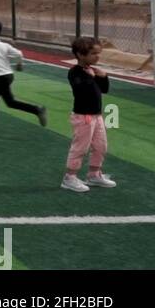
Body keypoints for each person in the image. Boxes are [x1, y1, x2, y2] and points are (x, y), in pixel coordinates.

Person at [61, 36, 116, 192]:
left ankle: (94, 175)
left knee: (101, 146)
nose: (97, 57)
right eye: (93, 54)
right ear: (80, 54)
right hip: (83, 116)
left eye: (98, 53)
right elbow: (81, 90)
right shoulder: (75, 72)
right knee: (80, 148)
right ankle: (69, 177)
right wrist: (90, 78)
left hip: (97, 116)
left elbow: (103, 90)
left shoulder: (92, 71)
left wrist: (104, 77)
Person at [0, 17, 47, 129]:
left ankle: (37, 110)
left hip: (1, 78)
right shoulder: (5, 45)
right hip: (9, 76)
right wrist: (19, 64)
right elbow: (19, 54)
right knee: (0, 99)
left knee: (1, 99)